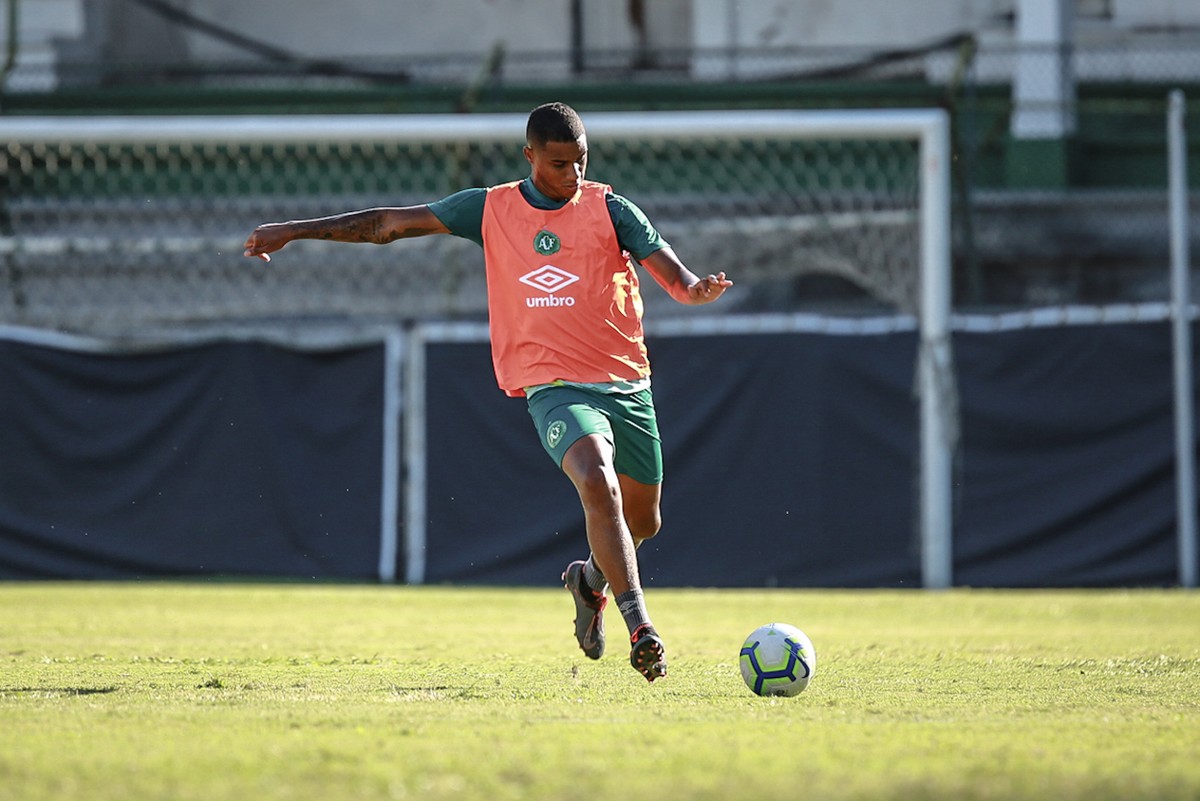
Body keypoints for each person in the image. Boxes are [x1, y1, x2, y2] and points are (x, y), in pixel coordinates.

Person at [243, 102, 731, 682]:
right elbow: (388, 225)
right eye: (557, 163)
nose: (571, 174)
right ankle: (642, 628)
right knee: (597, 484)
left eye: (580, 161)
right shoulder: (490, 208)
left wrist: (696, 289)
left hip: (626, 384)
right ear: (529, 156)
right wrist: (296, 230)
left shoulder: (611, 208)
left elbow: (674, 277)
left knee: (642, 522)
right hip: (552, 384)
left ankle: (588, 581)